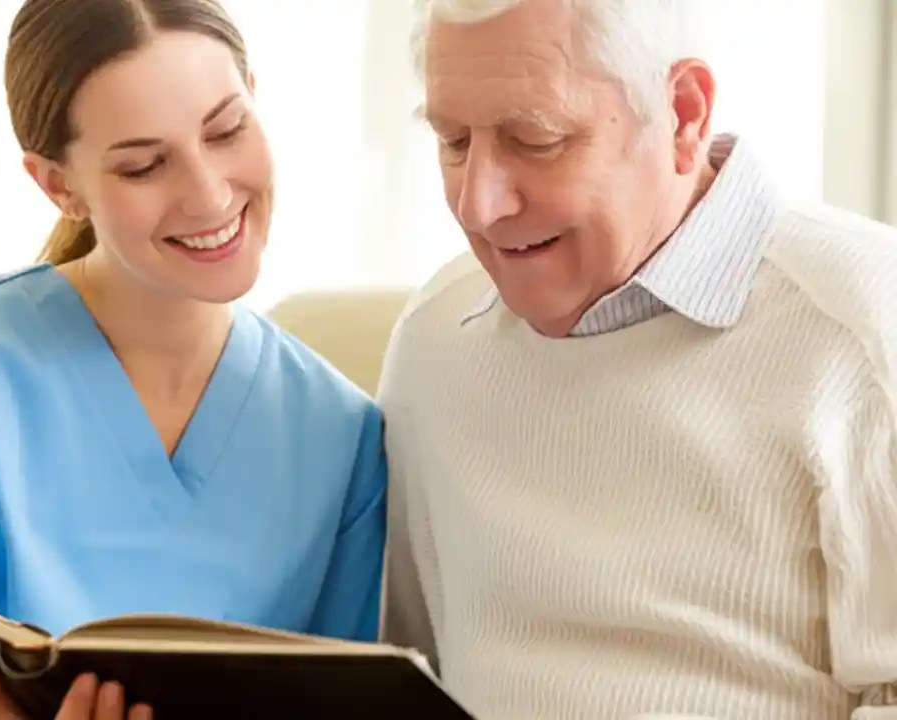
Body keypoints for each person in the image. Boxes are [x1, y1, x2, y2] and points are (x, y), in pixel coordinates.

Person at [0, 0, 387, 718]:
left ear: (255, 92)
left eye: (226, 130)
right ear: (58, 185)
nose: (210, 192)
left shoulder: (340, 437)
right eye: (143, 166)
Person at [379, 0, 897, 718]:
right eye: (454, 141)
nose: (479, 205)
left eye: (536, 137)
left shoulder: (866, 330)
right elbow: (399, 678)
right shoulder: (436, 342)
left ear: (683, 114)